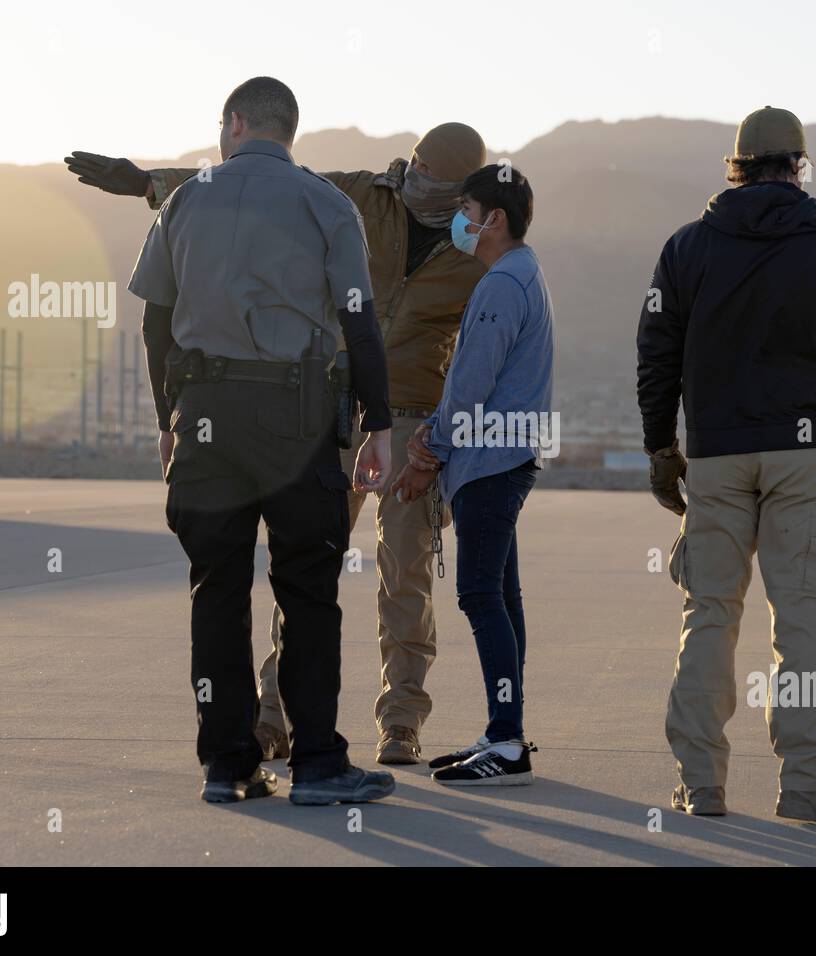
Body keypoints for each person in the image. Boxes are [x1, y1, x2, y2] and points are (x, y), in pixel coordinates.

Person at [68, 124, 487, 766]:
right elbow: (259, 189)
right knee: (306, 569)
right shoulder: (356, 195)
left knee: (406, 578)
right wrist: (147, 183)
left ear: (466, 190)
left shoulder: (474, 242)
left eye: (442, 180)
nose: (422, 182)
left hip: (414, 422)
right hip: (330, 405)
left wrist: (452, 440)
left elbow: (483, 349)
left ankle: (401, 719)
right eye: (419, 166)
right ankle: (271, 715)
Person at [127, 76, 396, 805]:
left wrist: (166, 421)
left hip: (206, 414)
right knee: (307, 590)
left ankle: (228, 764)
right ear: (289, 130)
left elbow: (156, 323)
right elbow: (360, 321)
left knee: (215, 587)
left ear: (236, 122)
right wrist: (380, 425)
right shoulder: (327, 203)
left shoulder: (186, 199)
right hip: (297, 416)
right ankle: (316, 765)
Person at [636, 107, 816, 823]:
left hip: (718, 456)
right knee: (806, 621)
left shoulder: (685, 249)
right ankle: (809, 785)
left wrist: (663, 449)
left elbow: (656, 357)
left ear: (736, 166)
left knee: (710, 614)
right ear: (799, 166)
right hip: (805, 454)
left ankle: (701, 784)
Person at [393, 163, 554, 786]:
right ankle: (502, 731)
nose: (459, 220)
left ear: (496, 219)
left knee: (480, 596)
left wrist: (423, 451)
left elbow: (469, 388)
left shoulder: (502, 284)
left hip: (491, 463)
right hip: (503, 460)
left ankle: (507, 740)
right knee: (502, 598)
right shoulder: (521, 275)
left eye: (467, 208)